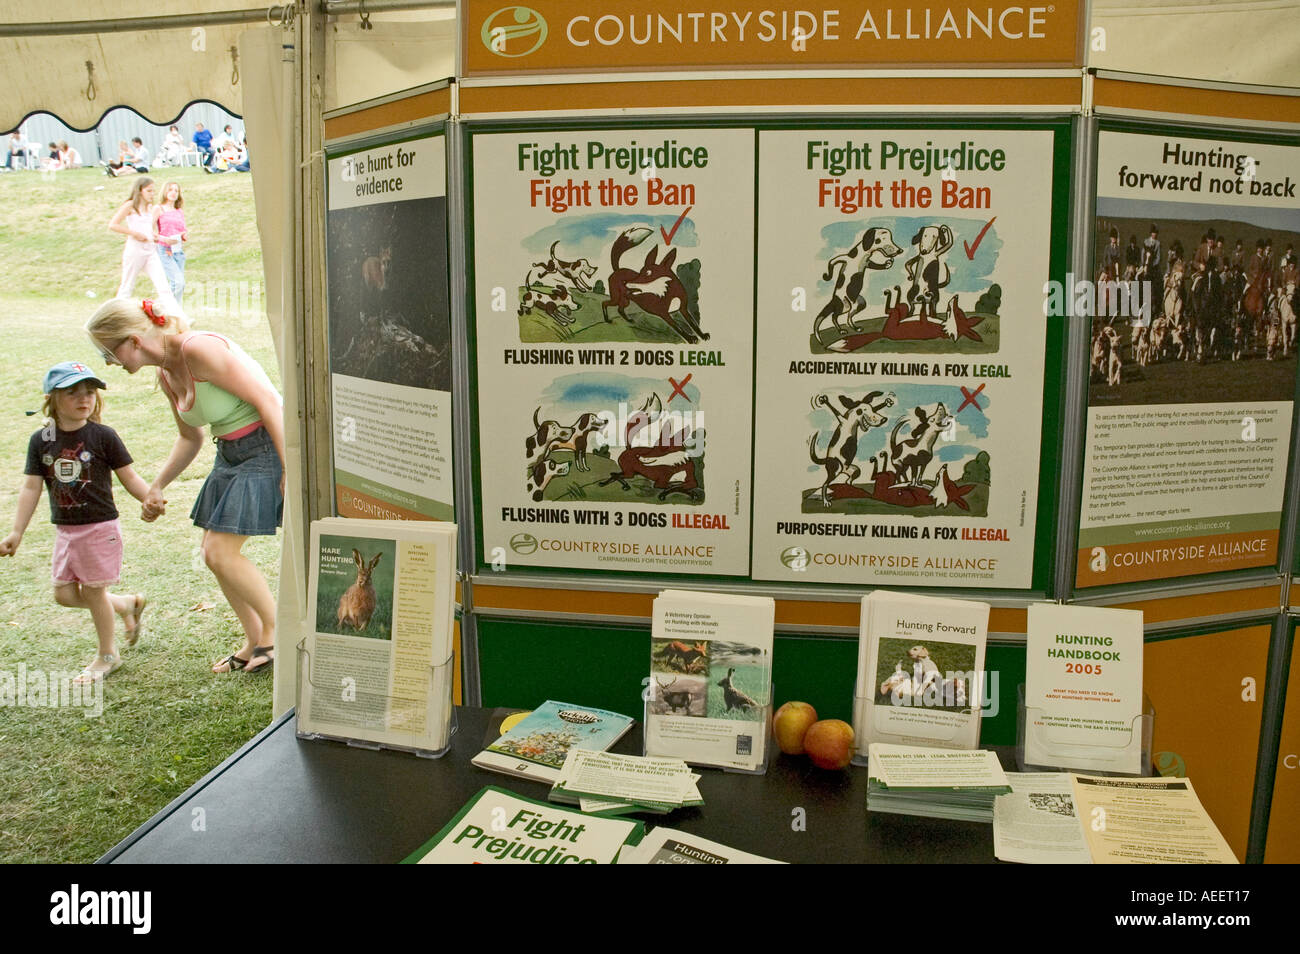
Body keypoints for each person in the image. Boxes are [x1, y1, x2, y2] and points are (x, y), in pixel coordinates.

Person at [86, 299, 284, 674]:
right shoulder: (164, 374)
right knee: (211, 554)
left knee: (223, 552)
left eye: (107, 352)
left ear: (132, 341)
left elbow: (269, 401)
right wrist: (156, 486)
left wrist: (289, 467)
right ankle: (254, 638)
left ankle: (277, 635)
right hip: (228, 452)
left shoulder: (199, 348)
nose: (109, 362)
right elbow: (190, 439)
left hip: (265, 447)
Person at [0, 362, 151, 684]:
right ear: (52, 398)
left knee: (94, 592)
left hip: (99, 528)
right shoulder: (41, 440)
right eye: (73, 393)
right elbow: (31, 486)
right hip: (65, 531)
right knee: (64, 595)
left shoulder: (103, 436)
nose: (84, 399)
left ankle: (107, 655)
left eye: (90, 392)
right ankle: (126, 605)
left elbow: (130, 477)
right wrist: (17, 531)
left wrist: (148, 498)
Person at [108, 178, 177, 311]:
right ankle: (115, 314)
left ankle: (179, 316)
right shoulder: (130, 206)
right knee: (127, 285)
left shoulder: (150, 208)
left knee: (163, 286)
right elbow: (113, 225)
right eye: (149, 191)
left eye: (153, 191)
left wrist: (161, 238)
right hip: (135, 249)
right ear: (140, 191)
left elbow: (149, 231)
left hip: (150, 249)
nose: (152, 194)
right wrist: (134, 233)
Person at [153, 181, 188, 301]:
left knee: (178, 285)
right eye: (170, 190)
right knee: (179, 283)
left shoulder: (179, 211)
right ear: (165, 192)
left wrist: (183, 235)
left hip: (178, 249)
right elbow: (149, 230)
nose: (173, 193)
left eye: (176, 190)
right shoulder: (159, 209)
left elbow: (183, 230)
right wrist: (163, 239)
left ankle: (174, 313)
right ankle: (162, 308)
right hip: (165, 249)